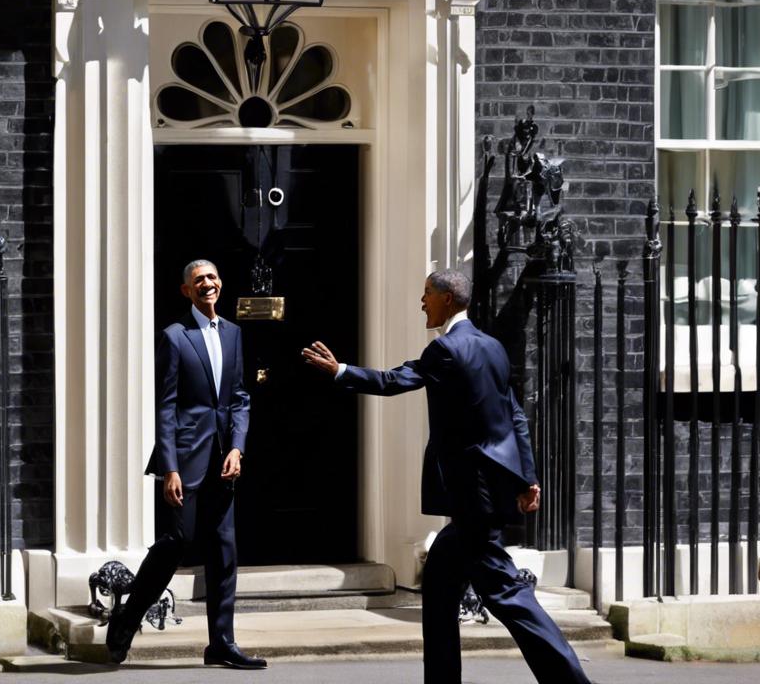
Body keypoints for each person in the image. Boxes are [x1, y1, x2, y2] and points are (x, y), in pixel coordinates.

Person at [300, 269, 591, 684]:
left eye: (427, 295)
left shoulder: (446, 350)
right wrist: (528, 478)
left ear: (449, 299)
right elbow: (515, 416)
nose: (422, 302)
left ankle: (571, 680)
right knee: (438, 584)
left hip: (473, 496)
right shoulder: (492, 347)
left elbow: (394, 380)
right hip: (486, 492)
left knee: (508, 594)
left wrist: (340, 371)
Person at [105, 259, 266, 670]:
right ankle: (125, 621)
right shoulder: (175, 337)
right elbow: (166, 407)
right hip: (186, 459)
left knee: (224, 550)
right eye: (199, 280)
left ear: (221, 283)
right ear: (186, 291)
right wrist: (169, 468)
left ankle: (221, 644)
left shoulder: (234, 333)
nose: (207, 284)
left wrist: (237, 447)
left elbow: (239, 397)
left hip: (223, 459)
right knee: (175, 542)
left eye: (212, 277)